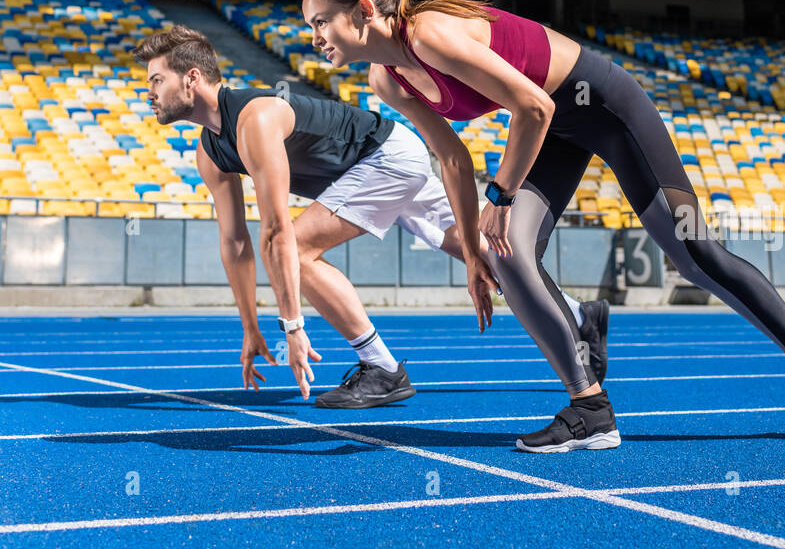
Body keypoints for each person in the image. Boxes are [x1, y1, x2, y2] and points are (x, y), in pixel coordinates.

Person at [300, 0, 785, 452]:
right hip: (553, 130)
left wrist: (501, 196)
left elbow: (535, 106)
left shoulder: (429, 36)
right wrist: (471, 250)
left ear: (364, 11)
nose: (315, 37)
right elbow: (451, 158)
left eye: (321, 21)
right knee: (507, 254)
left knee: (691, 253)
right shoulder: (387, 78)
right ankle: (590, 410)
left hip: (605, 107)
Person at [132, 25, 607, 408]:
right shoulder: (210, 151)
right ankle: (577, 313)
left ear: (191, 78)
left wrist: (292, 327)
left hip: (386, 156)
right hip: (382, 160)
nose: (148, 93)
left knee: (299, 247)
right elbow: (235, 241)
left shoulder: (255, 117)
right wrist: (250, 327)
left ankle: (381, 368)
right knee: (472, 247)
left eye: (156, 80)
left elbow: (277, 232)